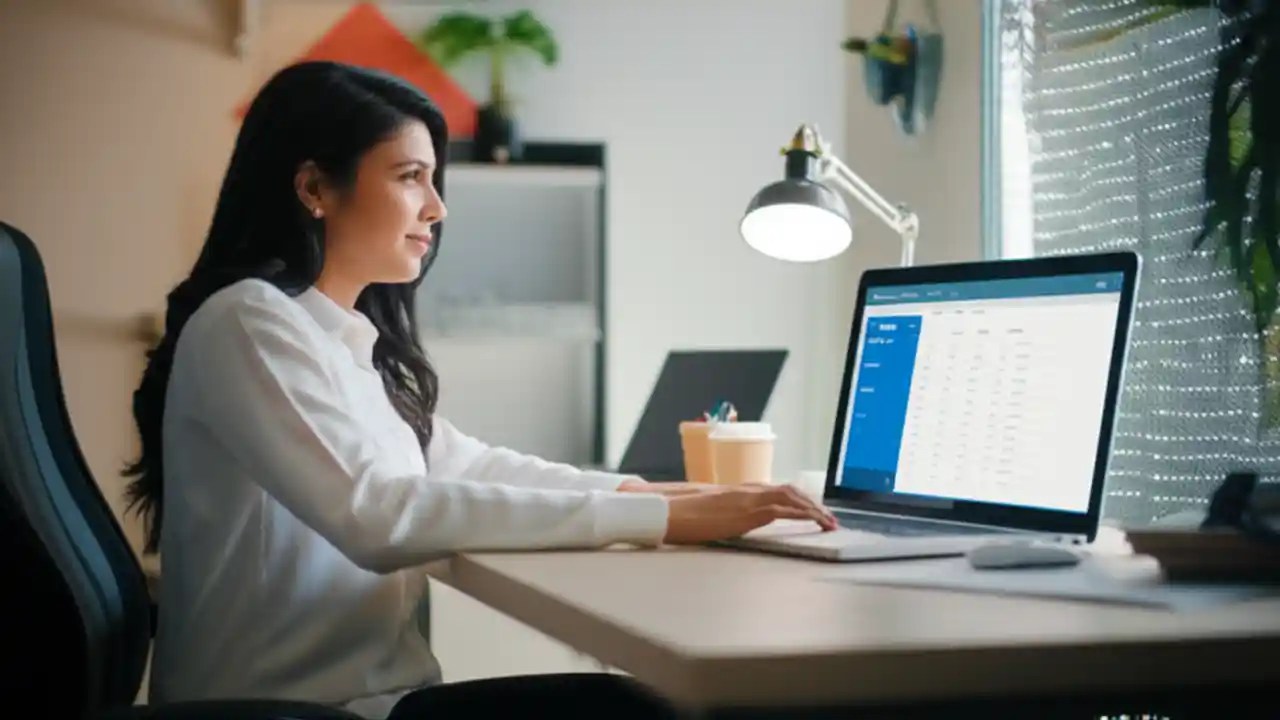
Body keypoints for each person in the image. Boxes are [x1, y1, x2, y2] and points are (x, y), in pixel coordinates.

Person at [122, 60, 835, 720]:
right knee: (644, 708)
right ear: (313, 188)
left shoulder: (336, 339)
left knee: (645, 701)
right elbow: (378, 513)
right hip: (305, 712)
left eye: (435, 181)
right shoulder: (249, 321)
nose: (437, 208)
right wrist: (662, 521)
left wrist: (652, 495)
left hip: (364, 700)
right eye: (409, 177)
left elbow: (463, 465)